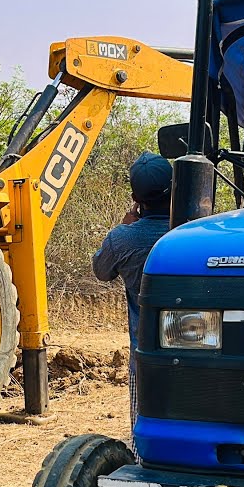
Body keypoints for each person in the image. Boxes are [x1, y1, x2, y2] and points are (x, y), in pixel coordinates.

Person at [92, 151, 172, 430]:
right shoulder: (196, 232)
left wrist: (123, 228)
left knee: (145, 423)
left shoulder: (122, 239)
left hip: (145, 352)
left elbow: (102, 271)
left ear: (136, 198)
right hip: (197, 350)